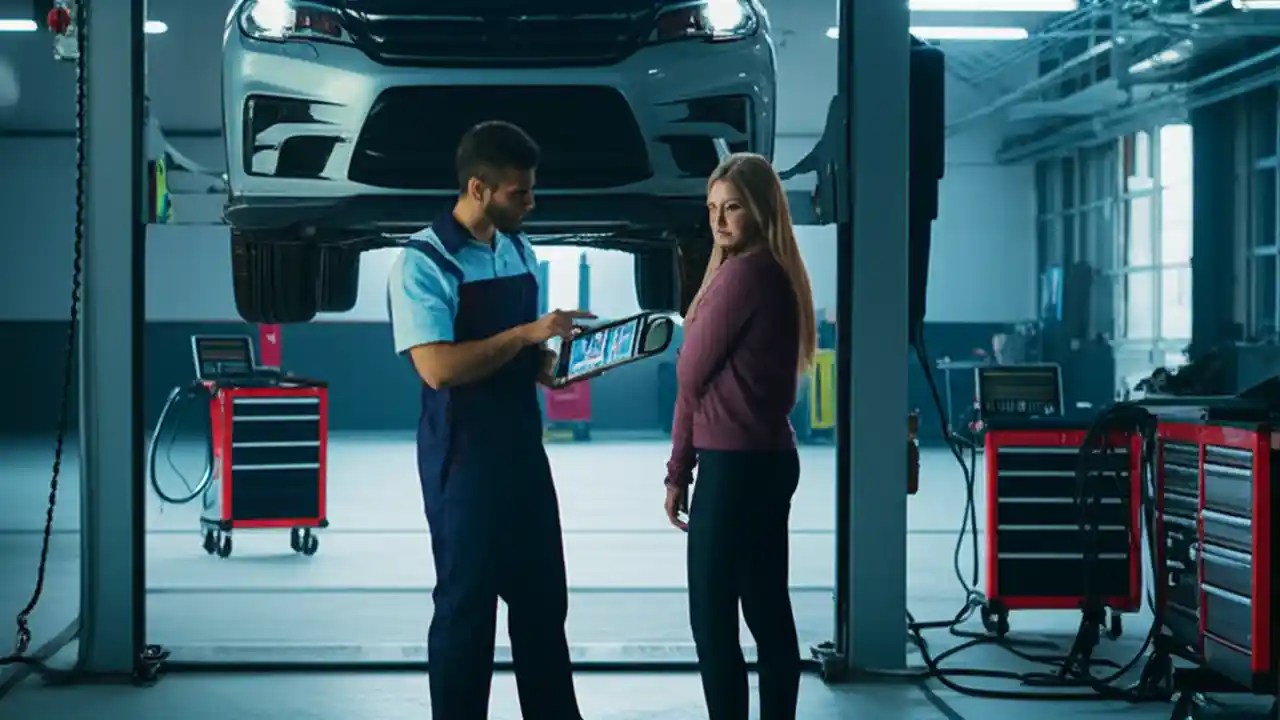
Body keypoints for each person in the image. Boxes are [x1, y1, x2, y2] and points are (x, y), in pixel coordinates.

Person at [387, 120, 591, 720]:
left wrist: (552, 364)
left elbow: (524, 357)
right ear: (478, 189)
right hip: (463, 461)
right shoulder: (424, 261)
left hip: (523, 454)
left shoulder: (515, 246)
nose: (530, 202)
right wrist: (527, 333)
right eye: (518, 193)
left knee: (542, 605)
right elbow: (438, 368)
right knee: (465, 610)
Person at [663, 152, 818, 720]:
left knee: (713, 619)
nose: (719, 221)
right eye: (712, 209)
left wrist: (678, 471)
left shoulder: (743, 275)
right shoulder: (777, 273)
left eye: (732, 208)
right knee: (768, 610)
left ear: (761, 210)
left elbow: (688, 376)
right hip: (769, 460)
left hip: (732, 469)